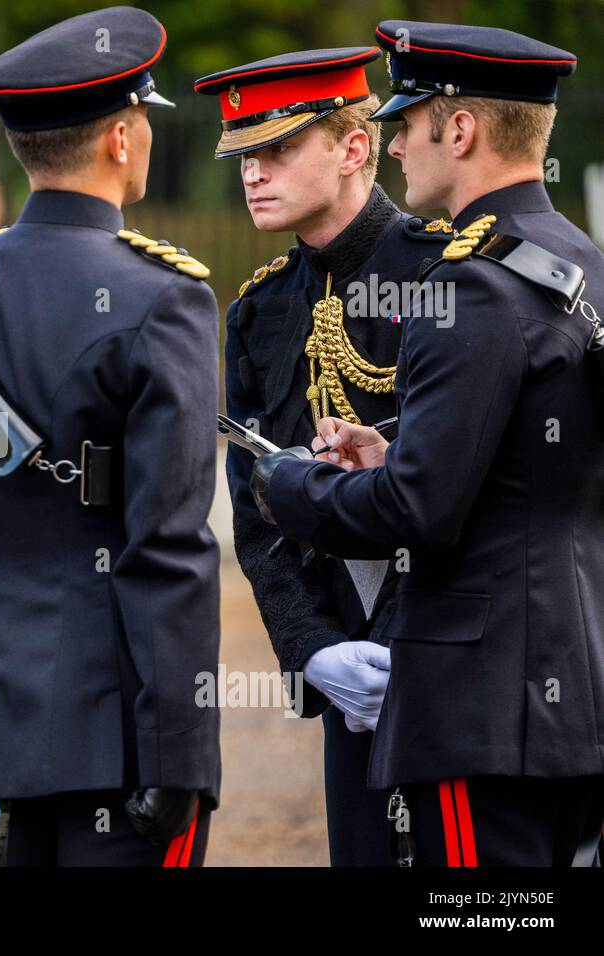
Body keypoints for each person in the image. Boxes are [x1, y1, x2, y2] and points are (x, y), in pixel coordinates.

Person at [251, 21, 604, 866]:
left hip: (480, 703)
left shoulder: (471, 283)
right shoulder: (575, 255)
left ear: (461, 130)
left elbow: (420, 507)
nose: (396, 143)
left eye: (408, 122)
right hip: (576, 676)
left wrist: (288, 487)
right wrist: (397, 451)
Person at [0, 6, 220, 867]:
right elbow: (168, 551)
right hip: (118, 743)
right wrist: (179, 750)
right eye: (141, 116)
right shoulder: (164, 301)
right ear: (118, 139)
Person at [193, 47, 452, 865]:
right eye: (243, 155)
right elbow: (256, 505)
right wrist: (311, 649)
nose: (253, 173)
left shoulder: (449, 269)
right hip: (351, 670)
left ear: (354, 147)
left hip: (456, 654)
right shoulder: (261, 310)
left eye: (278, 149)